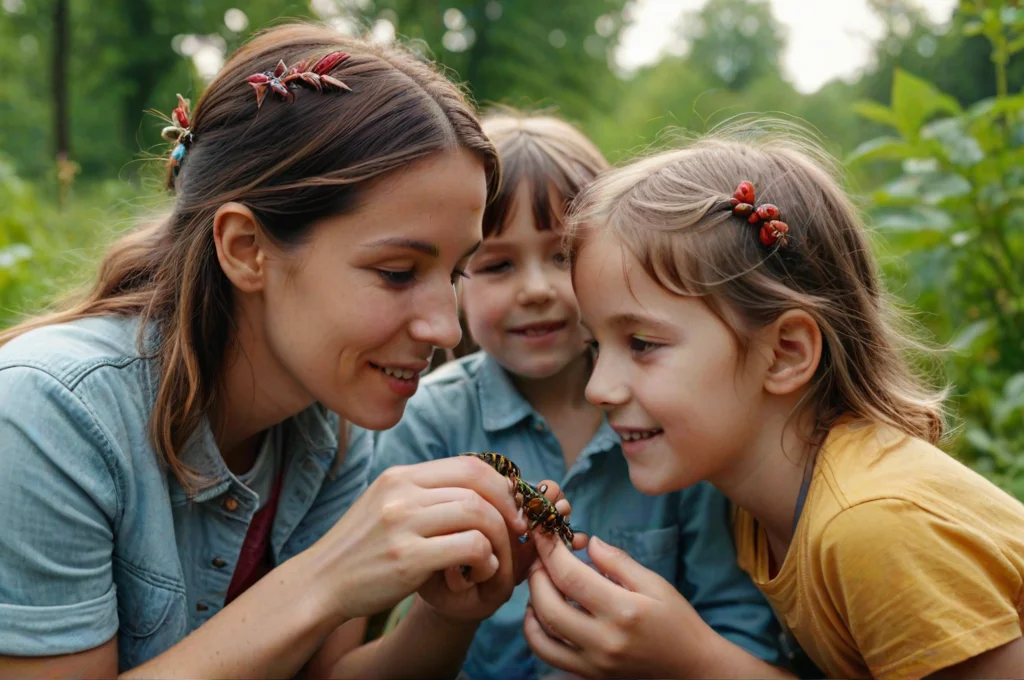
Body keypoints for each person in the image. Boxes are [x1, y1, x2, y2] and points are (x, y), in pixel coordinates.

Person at [0, 24, 570, 679]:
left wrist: (450, 615)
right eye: (396, 272)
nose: (447, 330)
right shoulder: (47, 418)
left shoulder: (334, 428)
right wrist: (327, 577)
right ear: (246, 248)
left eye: (456, 273)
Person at [524, 119, 1024, 679]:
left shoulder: (874, 526)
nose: (597, 388)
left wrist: (697, 664)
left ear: (785, 353)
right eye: (595, 345)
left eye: (641, 343)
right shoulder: (752, 502)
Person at [368, 110, 786, 680]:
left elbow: (739, 626)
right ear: (453, 275)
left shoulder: (684, 421)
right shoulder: (424, 425)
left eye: (563, 257)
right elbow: (355, 634)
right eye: (496, 264)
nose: (537, 290)